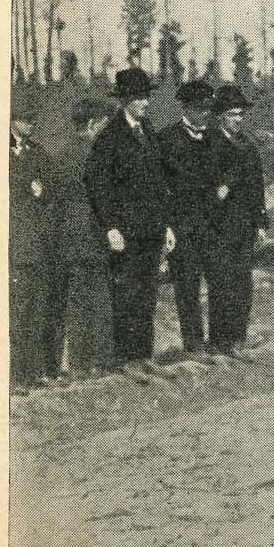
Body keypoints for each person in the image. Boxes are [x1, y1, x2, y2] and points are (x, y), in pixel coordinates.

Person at [86, 67, 175, 372]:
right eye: (139, 97)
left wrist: (166, 224)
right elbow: (99, 185)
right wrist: (110, 226)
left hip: (151, 227)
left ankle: (144, 355)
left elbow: (160, 181)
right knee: (127, 293)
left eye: (147, 96)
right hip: (125, 231)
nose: (145, 102)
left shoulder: (148, 131)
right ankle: (127, 358)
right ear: (125, 100)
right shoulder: (109, 137)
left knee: (148, 291)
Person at [46, 96, 117, 377]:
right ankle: (99, 360)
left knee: (77, 298)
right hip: (93, 228)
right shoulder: (97, 154)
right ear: (92, 124)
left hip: (70, 232)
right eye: (104, 124)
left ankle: (79, 362)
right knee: (99, 296)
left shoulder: (62, 154)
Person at [157, 79, 221, 354]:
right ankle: (193, 344)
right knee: (187, 286)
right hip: (182, 224)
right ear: (185, 109)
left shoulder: (216, 138)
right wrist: (167, 225)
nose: (204, 114)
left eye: (207, 109)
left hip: (213, 224)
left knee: (219, 281)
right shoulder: (166, 139)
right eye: (198, 109)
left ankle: (219, 341)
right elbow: (159, 186)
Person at [206, 85, 268, 354]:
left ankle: (238, 337)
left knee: (243, 281)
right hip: (219, 225)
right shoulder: (209, 144)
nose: (238, 119)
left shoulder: (248, 146)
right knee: (221, 281)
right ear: (221, 116)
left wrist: (260, 222)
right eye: (233, 114)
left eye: (241, 114)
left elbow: (258, 187)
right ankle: (220, 340)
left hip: (245, 224)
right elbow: (206, 186)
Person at [9, 94, 59, 386]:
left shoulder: (37, 151)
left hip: (37, 242)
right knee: (17, 311)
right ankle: (14, 375)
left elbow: (52, 186)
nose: (31, 124)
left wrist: (42, 191)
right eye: (25, 119)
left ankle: (33, 371)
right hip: (14, 243)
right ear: (12, 120)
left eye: (32, 119)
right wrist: (29, 188)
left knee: (37, 309)